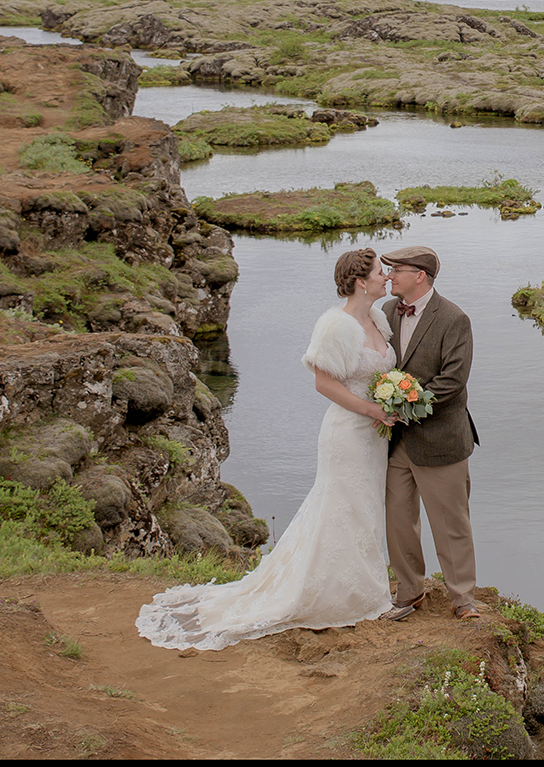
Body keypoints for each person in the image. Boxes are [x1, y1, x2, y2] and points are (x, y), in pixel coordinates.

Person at [135, 248, 398, 651]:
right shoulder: (336, 325)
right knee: (343, 505)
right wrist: (372, 409)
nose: (388, 278)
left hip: (374, 436)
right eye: (382, 272)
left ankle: (366, 589)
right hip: (348, 432)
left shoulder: (378, 320)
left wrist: (393, 403)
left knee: (365, 508)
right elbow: (324, 384)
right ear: (361, 282)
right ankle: (345, 596)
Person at [379, 245, 480, 621]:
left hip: (441, 441)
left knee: (451, 523)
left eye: (396, 270)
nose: (389, 276)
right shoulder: (385, 313)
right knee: (398, 521)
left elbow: (452, 380)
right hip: (395, 444)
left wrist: (405, 407)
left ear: (419, 276)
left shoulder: (454, 319)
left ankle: (463, 599)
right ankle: (409, 593)